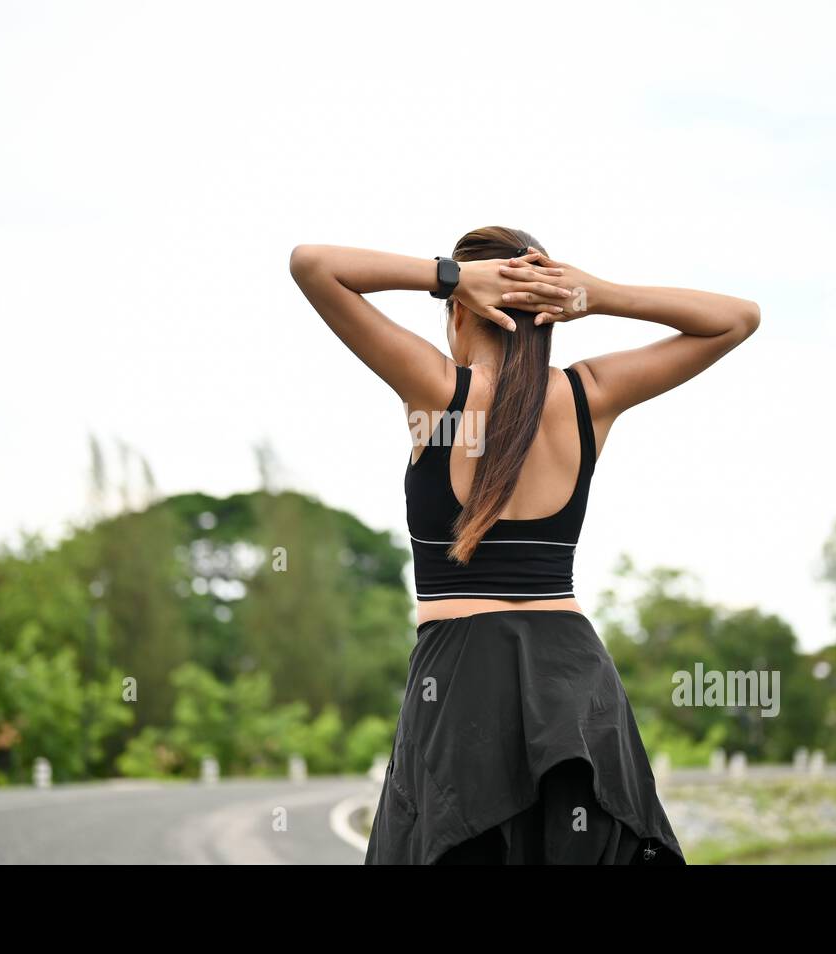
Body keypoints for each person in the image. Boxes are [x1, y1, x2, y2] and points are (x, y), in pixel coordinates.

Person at [289, 226, 760, 864]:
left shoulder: (440, 394)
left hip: (462, 682)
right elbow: (737, 319)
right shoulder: (588, 395)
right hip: (575, 685)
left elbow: (312, 264)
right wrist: (599, 295)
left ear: (459, 312)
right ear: (549, 313)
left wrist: (448, 276)